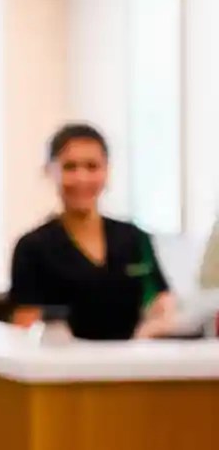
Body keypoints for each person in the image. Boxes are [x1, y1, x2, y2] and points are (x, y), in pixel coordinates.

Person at [10, 123, 176, 340]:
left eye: (92, 166)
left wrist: (150, 331)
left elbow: (161, 302)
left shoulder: (133, 238)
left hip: (132, 366)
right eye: (70, 167)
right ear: (50, 171)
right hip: (64, 369)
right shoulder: (33, 247)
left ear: (106, 171)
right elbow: (25, 323)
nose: (82, 178)